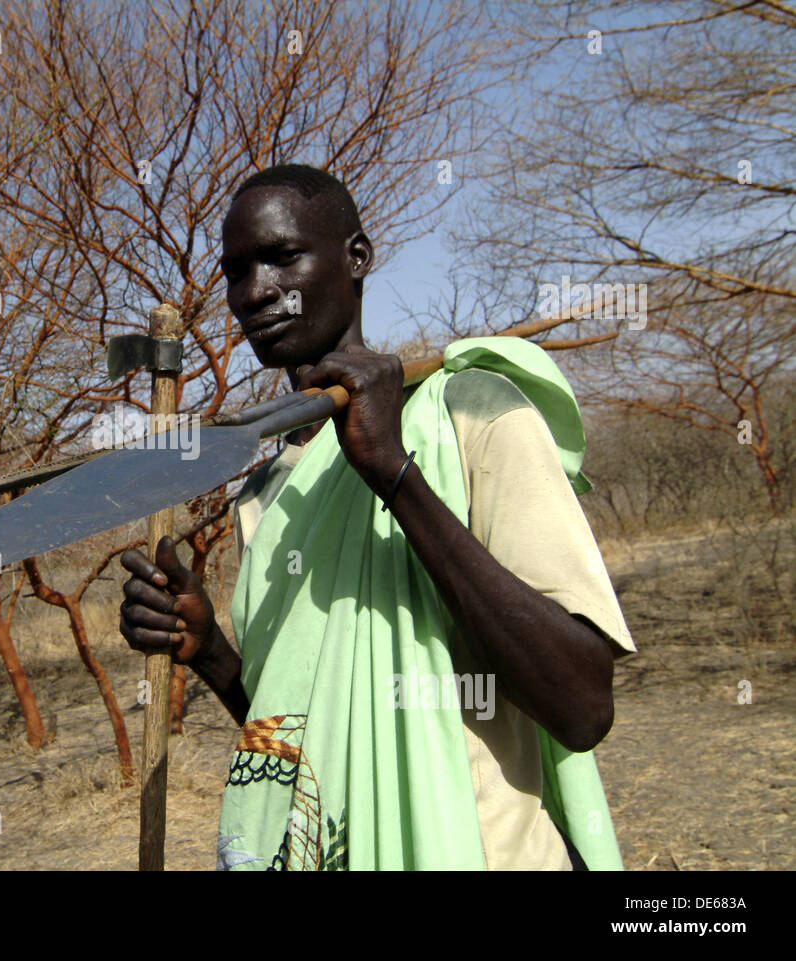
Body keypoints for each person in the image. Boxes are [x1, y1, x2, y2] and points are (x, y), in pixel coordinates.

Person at [118, 164, 636, 871]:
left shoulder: (473, 414)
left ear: (356, 258)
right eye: (236, 272)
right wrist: (209, 651)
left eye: (281, 257)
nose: (255, 292)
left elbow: (582, 705)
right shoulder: (267, 493)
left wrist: (394, 472)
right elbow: (310, 738)